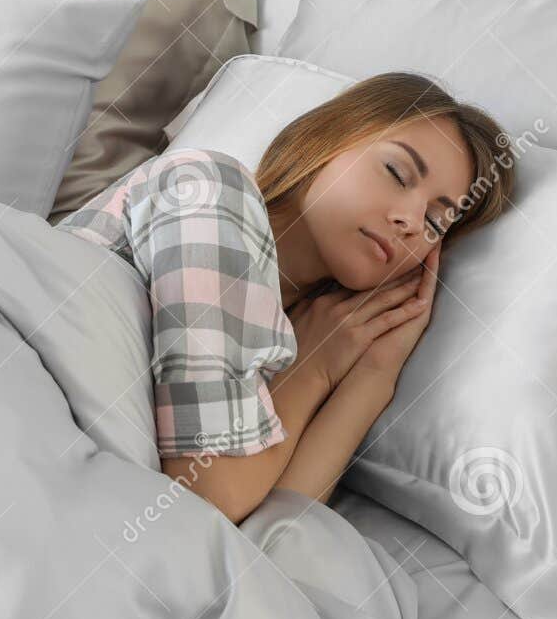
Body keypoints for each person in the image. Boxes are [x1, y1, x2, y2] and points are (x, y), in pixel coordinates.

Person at [57, 72, 517, 525]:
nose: (412, 221)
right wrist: (314, 370)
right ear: (324, 141)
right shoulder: (210, 188)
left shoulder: (301, 338)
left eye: (436, 222)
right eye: (397, 172)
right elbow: (209, 495)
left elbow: (275, 531)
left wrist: (377, 370)